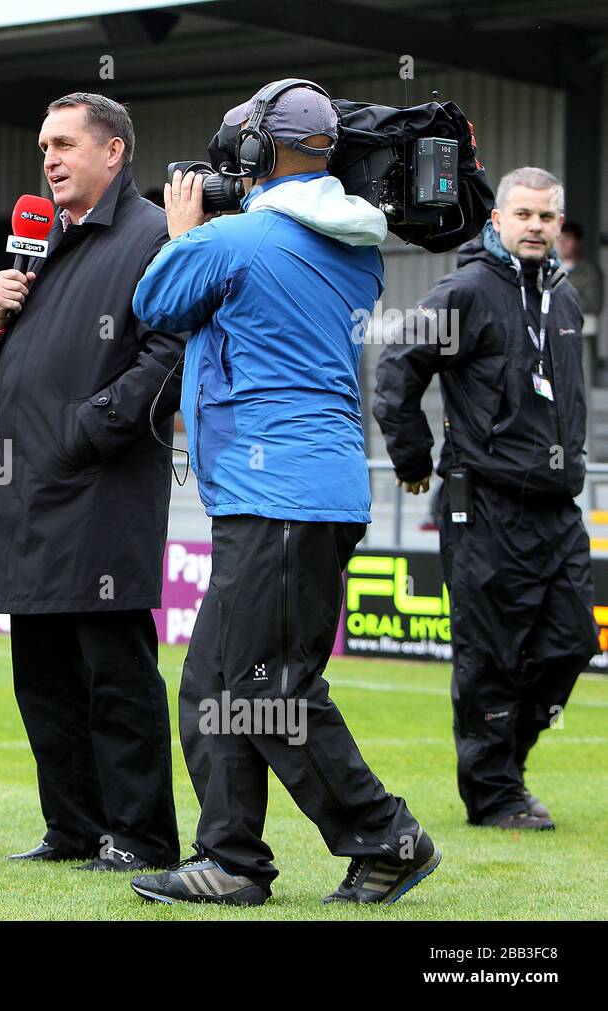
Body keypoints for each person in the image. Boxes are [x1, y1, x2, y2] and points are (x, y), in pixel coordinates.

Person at [130, 80, 439, 907]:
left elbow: (154, 300)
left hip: (278, 498)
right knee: (215, 688)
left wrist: (185, 231)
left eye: (239, 148)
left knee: (266, 689)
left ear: (259, 154)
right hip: (307, 493)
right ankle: (230, 857)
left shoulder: (242, 238)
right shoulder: (353, 244)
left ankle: (387, 834)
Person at [0, 93, 183, 873]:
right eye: (43, 146)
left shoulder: (155, 235)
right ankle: (73, 828)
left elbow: (168, 354)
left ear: (114, 153)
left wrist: (86, 429)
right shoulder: (49, 240)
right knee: (44, 679)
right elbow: (2, 362)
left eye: (64, 143)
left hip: (98, 493)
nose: (50, 158)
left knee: (116, 680)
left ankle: (141, 836)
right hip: (27, 492)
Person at [374, 166, 598, 831]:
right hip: (487, 504)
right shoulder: (467, 289)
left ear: (560, 225)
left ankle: (509, 765)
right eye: (523, 214)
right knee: (492, 654)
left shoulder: (565, 298)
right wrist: (415, 458)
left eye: (548, 216)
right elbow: (397, 367)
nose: (536, 226)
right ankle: (493, 793)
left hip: (557, 504)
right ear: (496, 220)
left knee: (571, 640)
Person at [556, 221, 602, 365]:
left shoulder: (588, 271)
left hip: (577, 333)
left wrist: (558, 305)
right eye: (559, 238)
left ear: (578, 242)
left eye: (567, 238)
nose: (562, 243)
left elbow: (592, 303)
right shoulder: (548, 267)